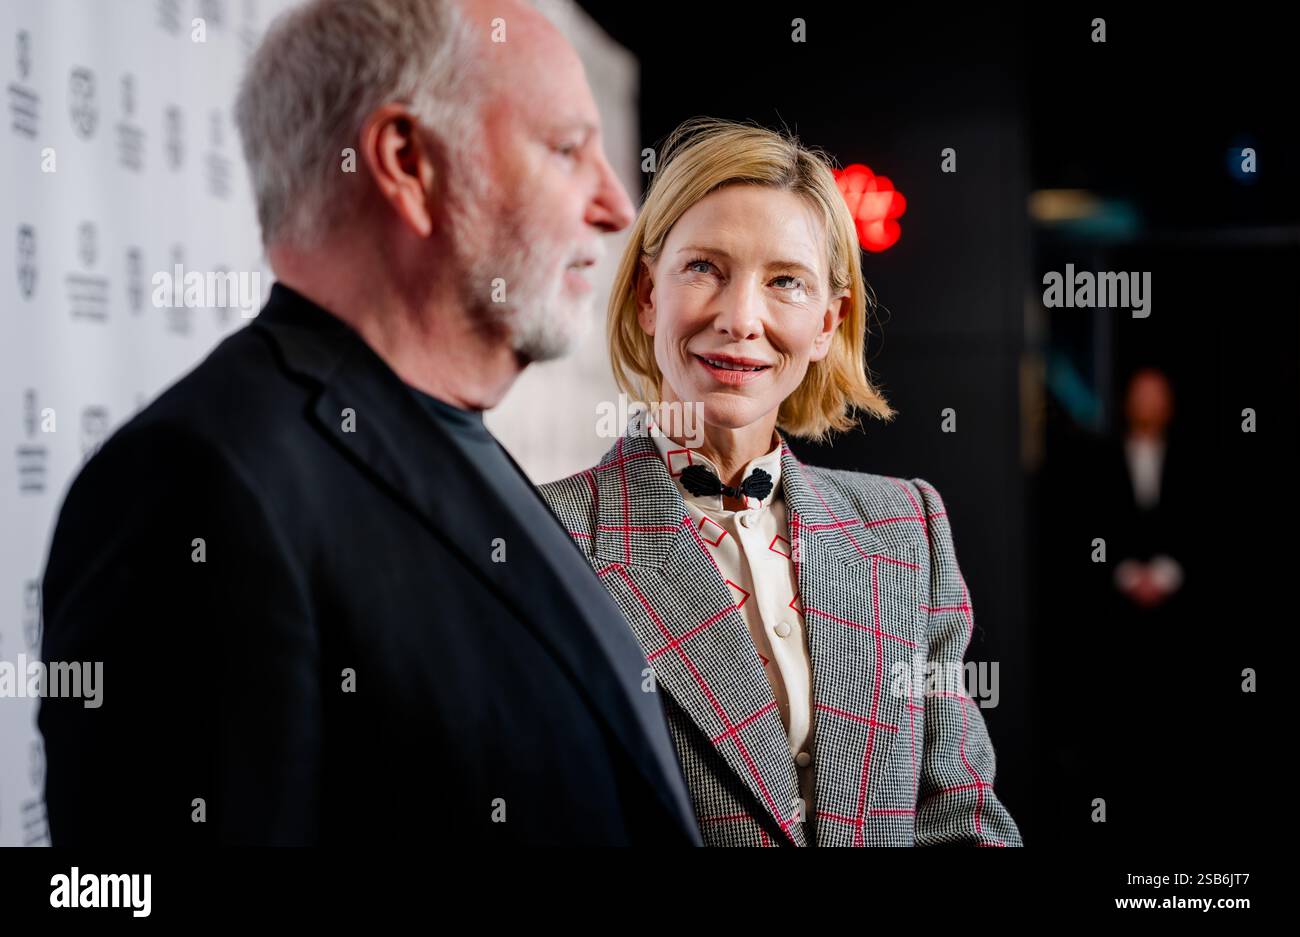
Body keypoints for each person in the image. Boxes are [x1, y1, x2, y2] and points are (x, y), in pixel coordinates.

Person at [38, 0, 701, 846]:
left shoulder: (452, 433)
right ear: (407, 162)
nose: (615, 206)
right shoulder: (193, 486)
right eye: (568, 150)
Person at [540, 118, 1023, 846]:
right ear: (647, 295)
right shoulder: (545, 540)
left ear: (829, 321)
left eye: (785, 282)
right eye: (704, 267)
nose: (740, 319)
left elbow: (961, 816)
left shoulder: (907, 529)